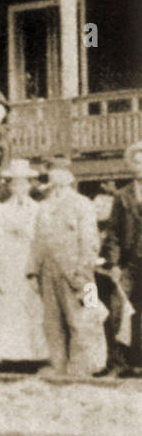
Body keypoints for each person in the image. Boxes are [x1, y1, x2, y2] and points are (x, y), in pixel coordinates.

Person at [31, 159, 107, 379]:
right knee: (52, 322)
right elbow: (37, 240)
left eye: (61, 172)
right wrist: (33, 269)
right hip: (49, 270)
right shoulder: (43, 206)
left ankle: (84, 368)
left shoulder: (82, 203)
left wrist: (83, 273)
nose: (57, 177)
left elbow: (90, 241)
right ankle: (59, 366)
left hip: (78, 272)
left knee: (83, 320)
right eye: (53, 173)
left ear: (69, 177)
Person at [0, 159, 47, 365]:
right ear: (9, 186)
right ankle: (4, 355)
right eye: (15, 184)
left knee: (31, 305)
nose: (20, 188)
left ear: (30, 185)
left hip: (28, 262)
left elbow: (42, 236)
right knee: (6, 304)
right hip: (7, 262)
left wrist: (25, 232)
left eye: (24, 183)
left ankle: (35, 356)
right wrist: (7, 236)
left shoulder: (38, 209)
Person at [101, 141, 142, 374]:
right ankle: (119, 363)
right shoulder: (122, 195)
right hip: (128, 263)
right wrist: (114, 263)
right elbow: (113, 233)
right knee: (118, 311)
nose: (140, 165)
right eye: (136, 161)